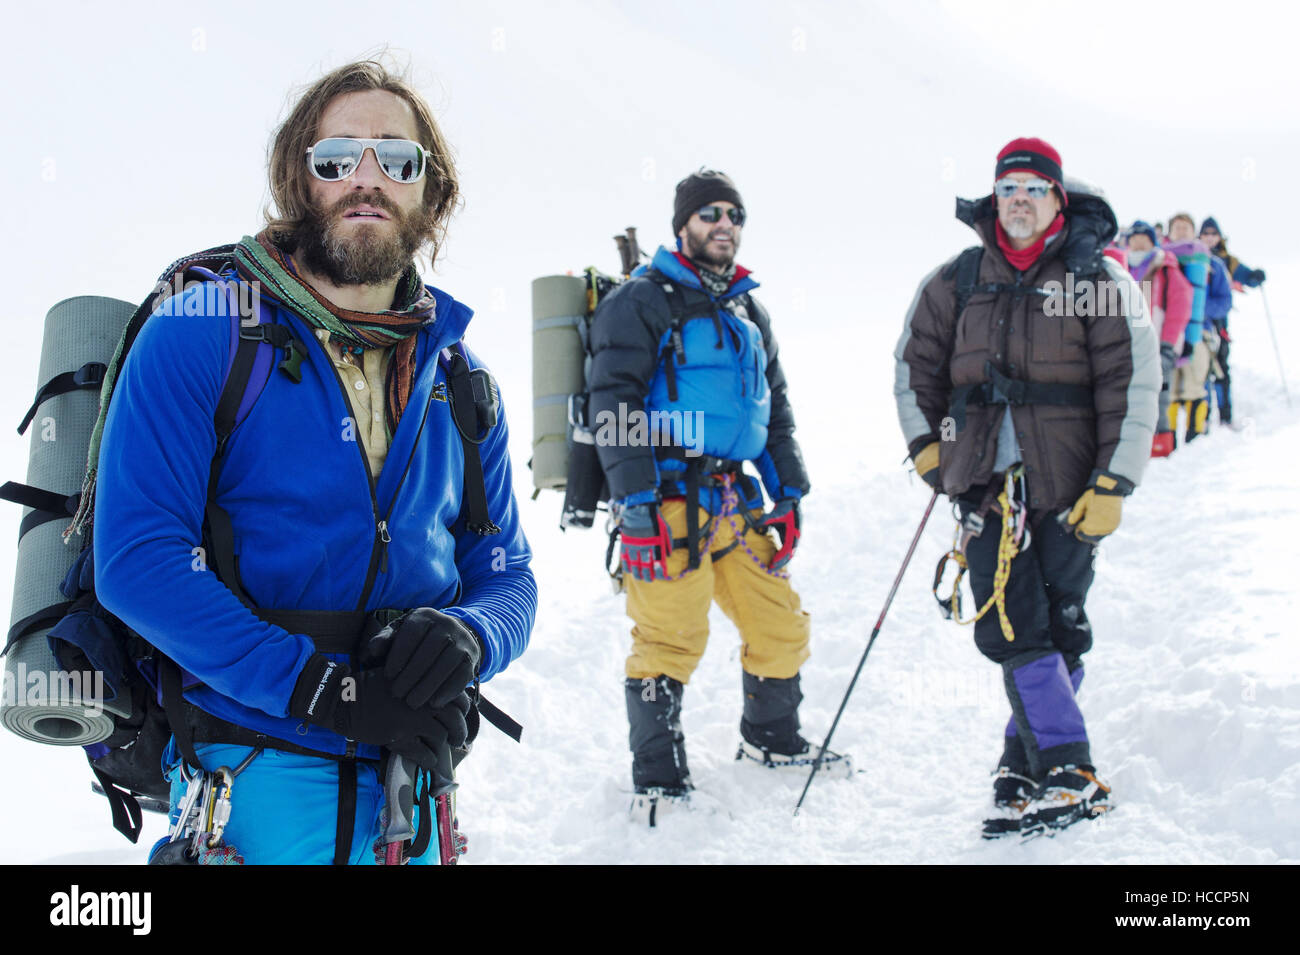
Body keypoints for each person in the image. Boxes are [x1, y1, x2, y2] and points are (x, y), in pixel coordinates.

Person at [93, 59, 536, 864]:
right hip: (253, 788)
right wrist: (326, 692)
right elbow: (137, 561)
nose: (367, 178)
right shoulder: (204, 333)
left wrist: (472, 635)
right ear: (299, 177)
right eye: (337, 157)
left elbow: (508, 572)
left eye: (398, 160)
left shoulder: (461, 381)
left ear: (431, 192)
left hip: (415, 796)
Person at [894, 138, 1160, 837]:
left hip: (1071, 487)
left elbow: (1132, 384)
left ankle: (1022, 762)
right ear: (994, 197)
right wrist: (927, 449)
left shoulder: (1097, 279)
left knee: (1059, 622)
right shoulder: (955, 279)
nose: (1019, 199)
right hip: (985, 485)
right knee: (1010, 622)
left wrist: (1114, 482)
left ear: (1057, 198)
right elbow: (913, 367)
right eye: (1008, 187)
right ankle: (1069, 764)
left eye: (1033, 187)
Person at [586, 168, 841, 823]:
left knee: (779, 624)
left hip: (734, 500)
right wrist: (636, 505)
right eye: (709, 213)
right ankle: (659, 779)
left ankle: (771, 740)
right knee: (670, 637)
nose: (723, 223)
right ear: (683, 225)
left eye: (733, 213)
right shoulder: (640, 301)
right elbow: (612, 402)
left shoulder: (748, 308)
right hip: (667, 502)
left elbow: (774, 408)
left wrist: (789, 492)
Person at [1122, 221, 1192, 457]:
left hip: (1159, 343)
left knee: (1159, 395)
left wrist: (1168, 345)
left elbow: (1179, 309)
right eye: (1134, 238)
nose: (1138, 242)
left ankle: (1161, 445)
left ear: (1153, 242)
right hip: (1127, 345)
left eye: (1144, 238)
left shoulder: (1166, 268)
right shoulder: (1119, 268)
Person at [1199, 217, 1265, 426]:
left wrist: (1255, 276)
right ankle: (1204, 418)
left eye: (1213, 234)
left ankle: (1225, 415)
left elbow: (1246, 277)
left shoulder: (1228, 260)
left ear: (1219, 237)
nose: (1209, 238)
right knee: (1201, 371)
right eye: (1206, 233)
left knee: (1221, 368)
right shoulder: (1192, 256)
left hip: (1219, 324)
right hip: (1196, 324)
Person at [1164, 213, 1216, 442]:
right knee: (1171, 388)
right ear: (1170, 233)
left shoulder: (1210, 264)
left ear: (1194, 232)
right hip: (1168, 333)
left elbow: (1223, 299)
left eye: (1186, 227)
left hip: (1199, 333)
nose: (1182, 231)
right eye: (1177, 227)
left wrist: (1200, 309)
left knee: (1196, 385)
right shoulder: (1161, 260)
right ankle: (1170, 438)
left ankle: (1197, 436)